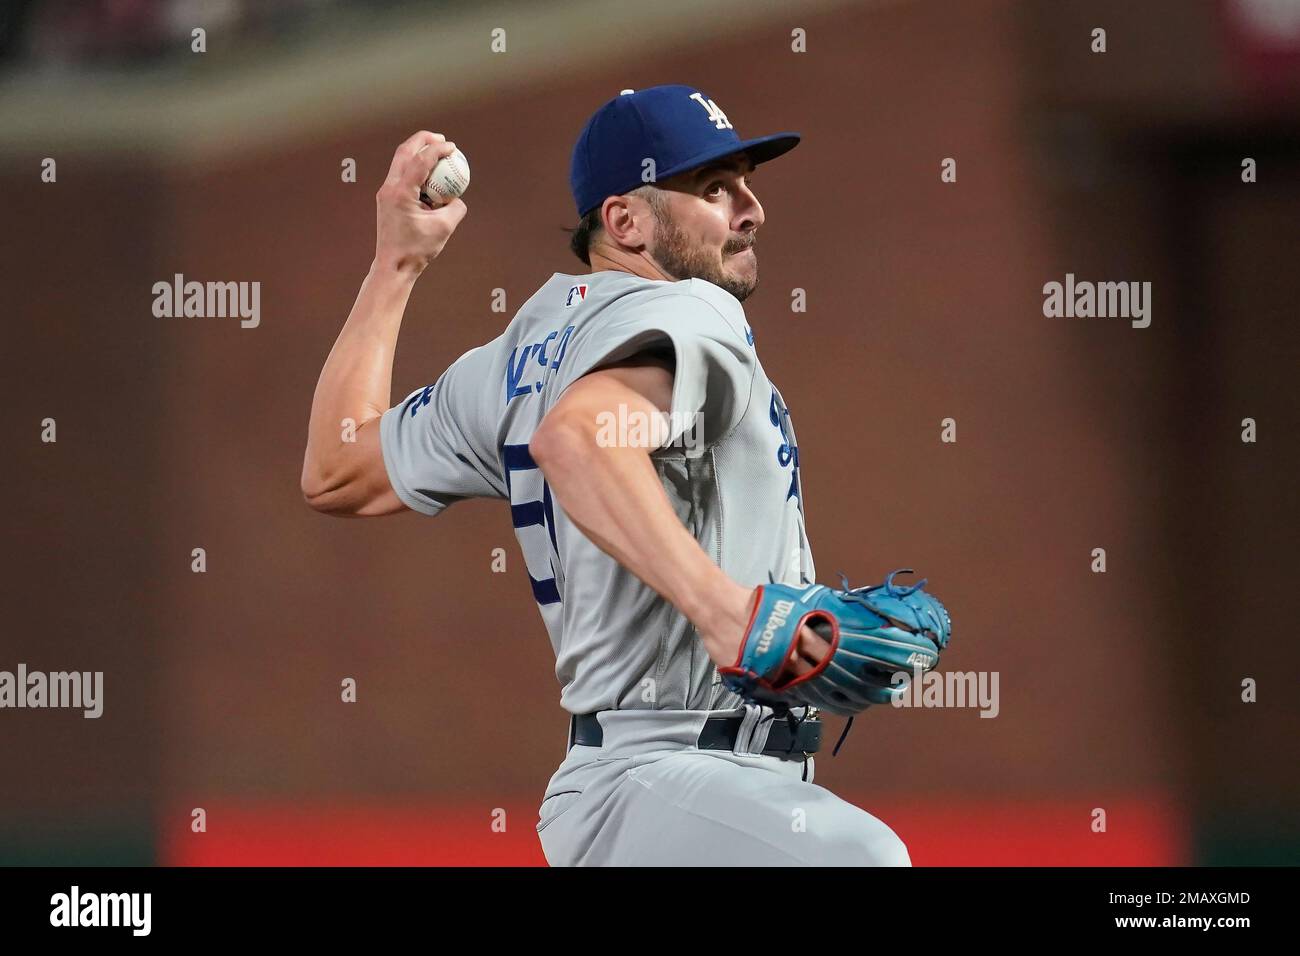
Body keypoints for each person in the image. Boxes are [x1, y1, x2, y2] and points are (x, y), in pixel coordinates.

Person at [300, 85, 912, 866]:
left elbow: (337, 466)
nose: (751, 209)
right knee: (859, 858)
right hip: (672, 775)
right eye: (714, 188)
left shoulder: (516, 358)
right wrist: (727, 610)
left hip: (643, 795)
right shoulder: (696, 310)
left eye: (747, 182)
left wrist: (396, 264)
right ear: (625, 221)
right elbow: (580, 440)